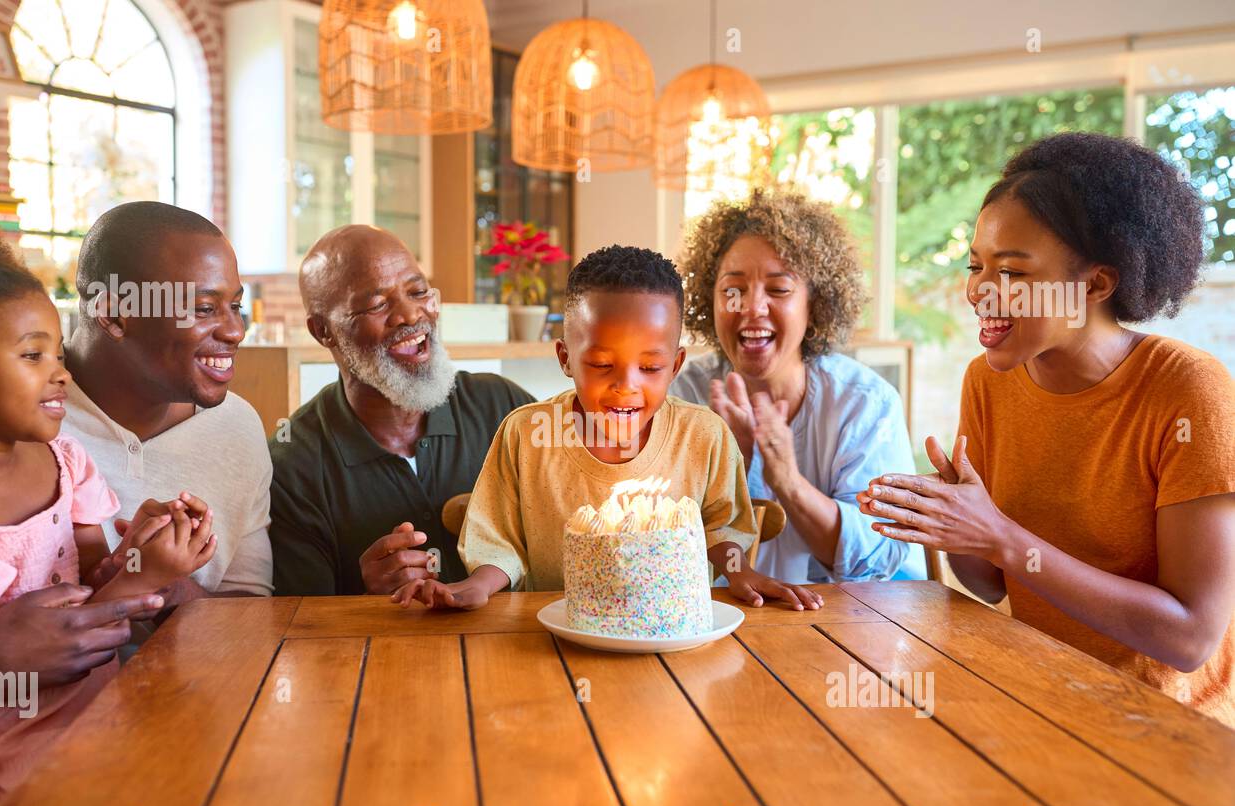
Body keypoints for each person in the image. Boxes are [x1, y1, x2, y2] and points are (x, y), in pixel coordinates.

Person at [857, 132, 1235, 727]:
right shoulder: (988, 380)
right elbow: (993, 586)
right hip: (1038, 697)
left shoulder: (1189, 390)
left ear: (1096, 283)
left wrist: (1000, 534)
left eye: (1011, 271)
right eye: (976, 266)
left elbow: (1189, 639)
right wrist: (951, 522)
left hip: (1170, 728)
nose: (981, 290)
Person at [0, 211, 213, 806]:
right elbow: (0, 659)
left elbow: (97, 579)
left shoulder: (65, 464)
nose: (60, 373)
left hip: (86, 706)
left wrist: (144, 557)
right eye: (32, 356)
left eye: (58, 354)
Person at [393, 244, 824, 612]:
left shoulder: (704, 438)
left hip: (672, 641)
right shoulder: (527, 435)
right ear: (565, 358)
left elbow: (723, 527)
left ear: (675, 365)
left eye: (651, 367)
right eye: (601, 365)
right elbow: (498, 539)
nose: (625, 387)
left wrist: (738, 570)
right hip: (551, 638)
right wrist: (477, 586)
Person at [671, 189, 924, 583]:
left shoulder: (864, 404)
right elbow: (656, 552)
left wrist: (786, 480)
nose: (752, 307)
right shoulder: (680, 394)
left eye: (779, 289)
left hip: (852, 626)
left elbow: (879, 559)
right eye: (732, 289)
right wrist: (729, 465)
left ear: (815, 304)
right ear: (710, 298)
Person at [268, 224, 534, 596]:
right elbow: (295, 631)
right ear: (323, 331)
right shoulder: (292, 463)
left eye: (419, 292)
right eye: (378, 304)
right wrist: (365, 596)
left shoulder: (501, 407)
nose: (411, 315)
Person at [63, 201, 273, 605]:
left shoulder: (237, 426)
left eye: (235, 307)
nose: (235, 331)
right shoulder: (18, 421)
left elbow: (250, 614)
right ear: (114, 316)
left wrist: (160, 581)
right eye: (205, 309)